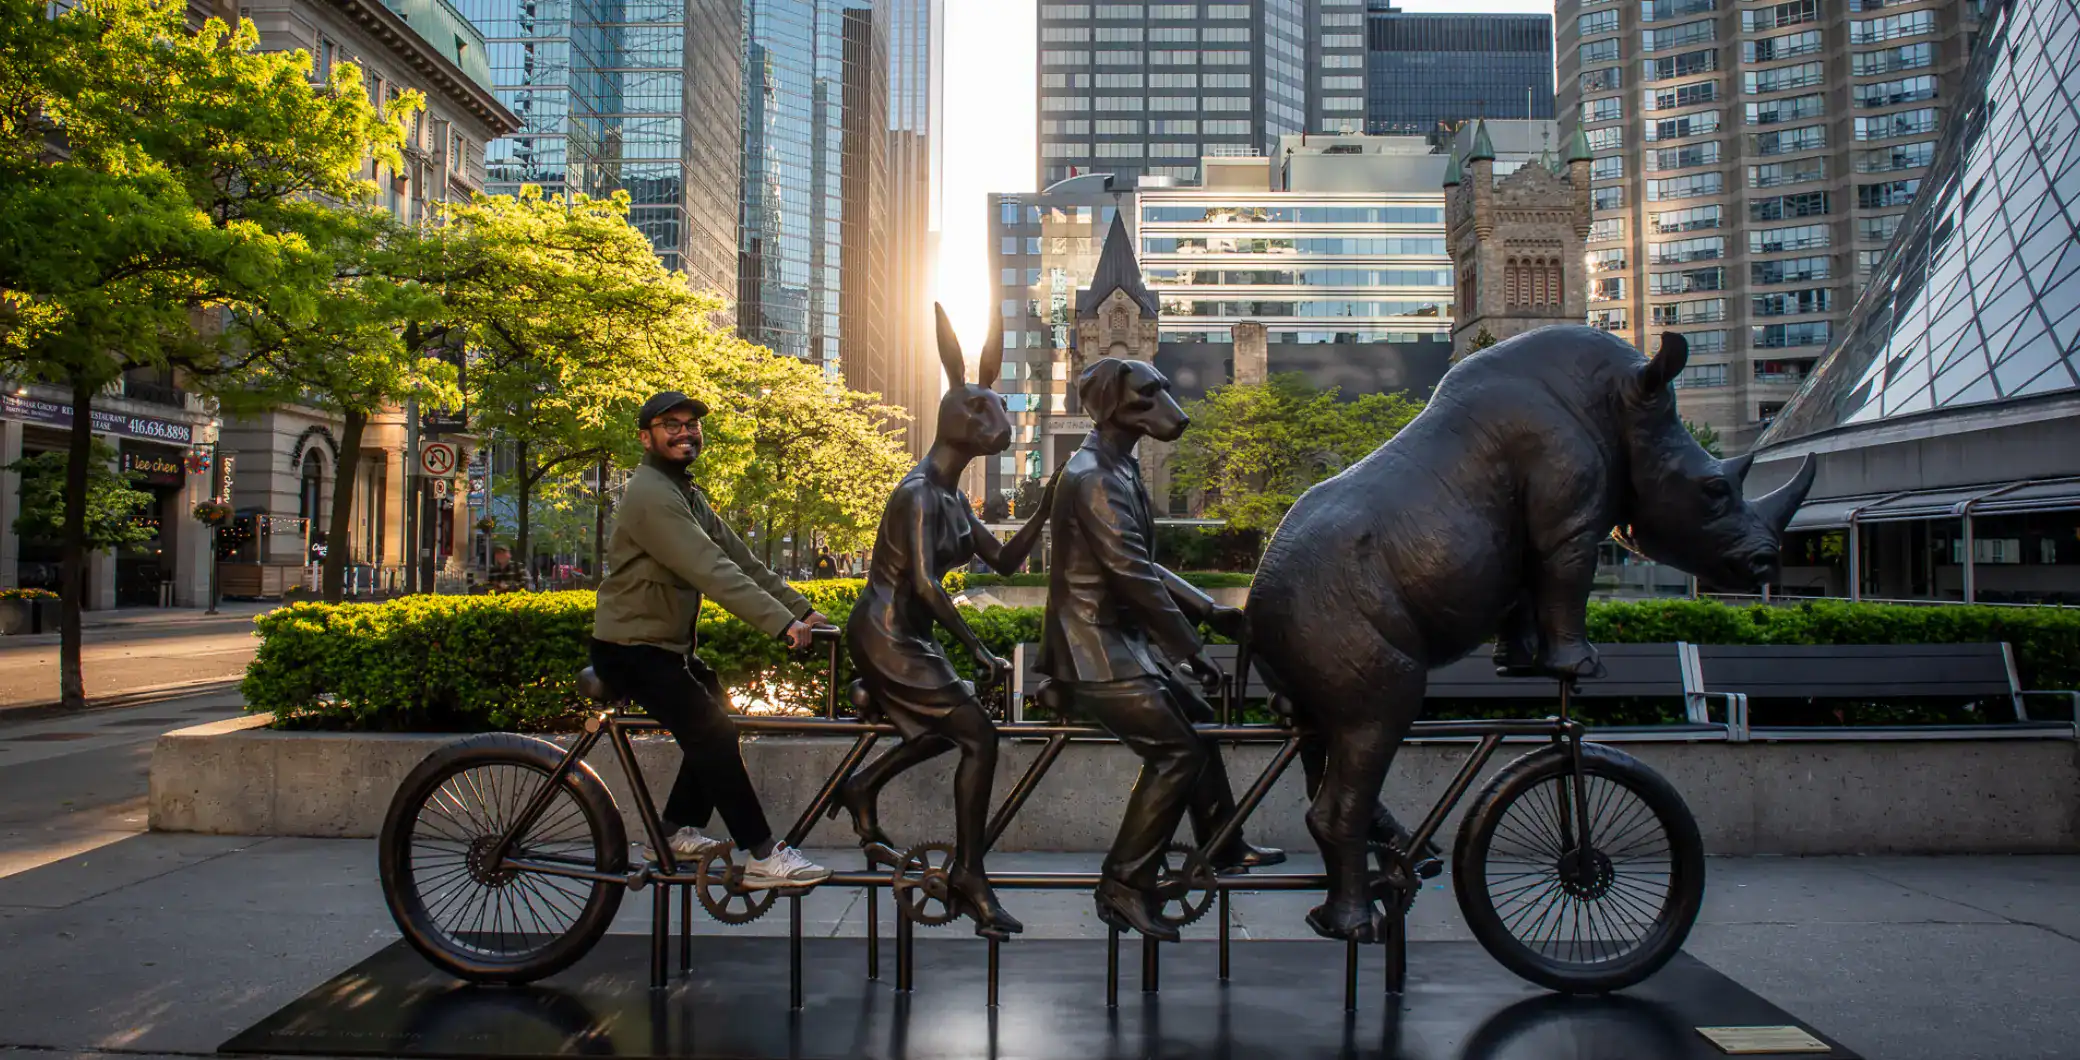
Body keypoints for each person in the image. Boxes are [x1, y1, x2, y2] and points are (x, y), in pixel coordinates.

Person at [590, 391, 834, 890]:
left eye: (691, 425)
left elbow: (743, 561)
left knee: (717, 714)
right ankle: (763, 854)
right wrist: (781, 624)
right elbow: (711, 570)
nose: (685, 432)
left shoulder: (683, 492)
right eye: (670, 425)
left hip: (662, 647)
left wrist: (804, 610)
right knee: (714, 732)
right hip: (631, 649)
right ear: (646, 437)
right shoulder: (652, 495)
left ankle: (673, 831)